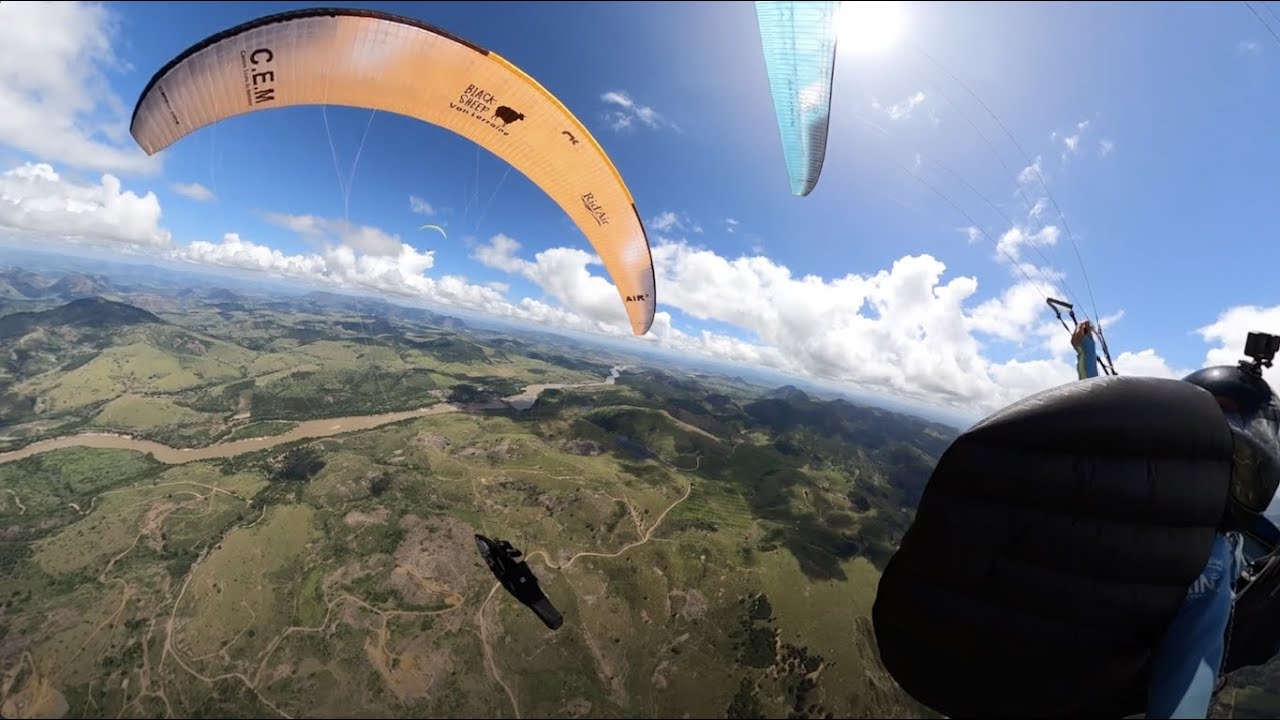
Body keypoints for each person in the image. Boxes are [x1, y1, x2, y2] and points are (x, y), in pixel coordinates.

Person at [1073, 322, 1269, 719]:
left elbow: (1103, 423)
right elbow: (1188, 676)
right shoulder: (1214, 555)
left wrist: (1086, 354)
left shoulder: (1129, 483)